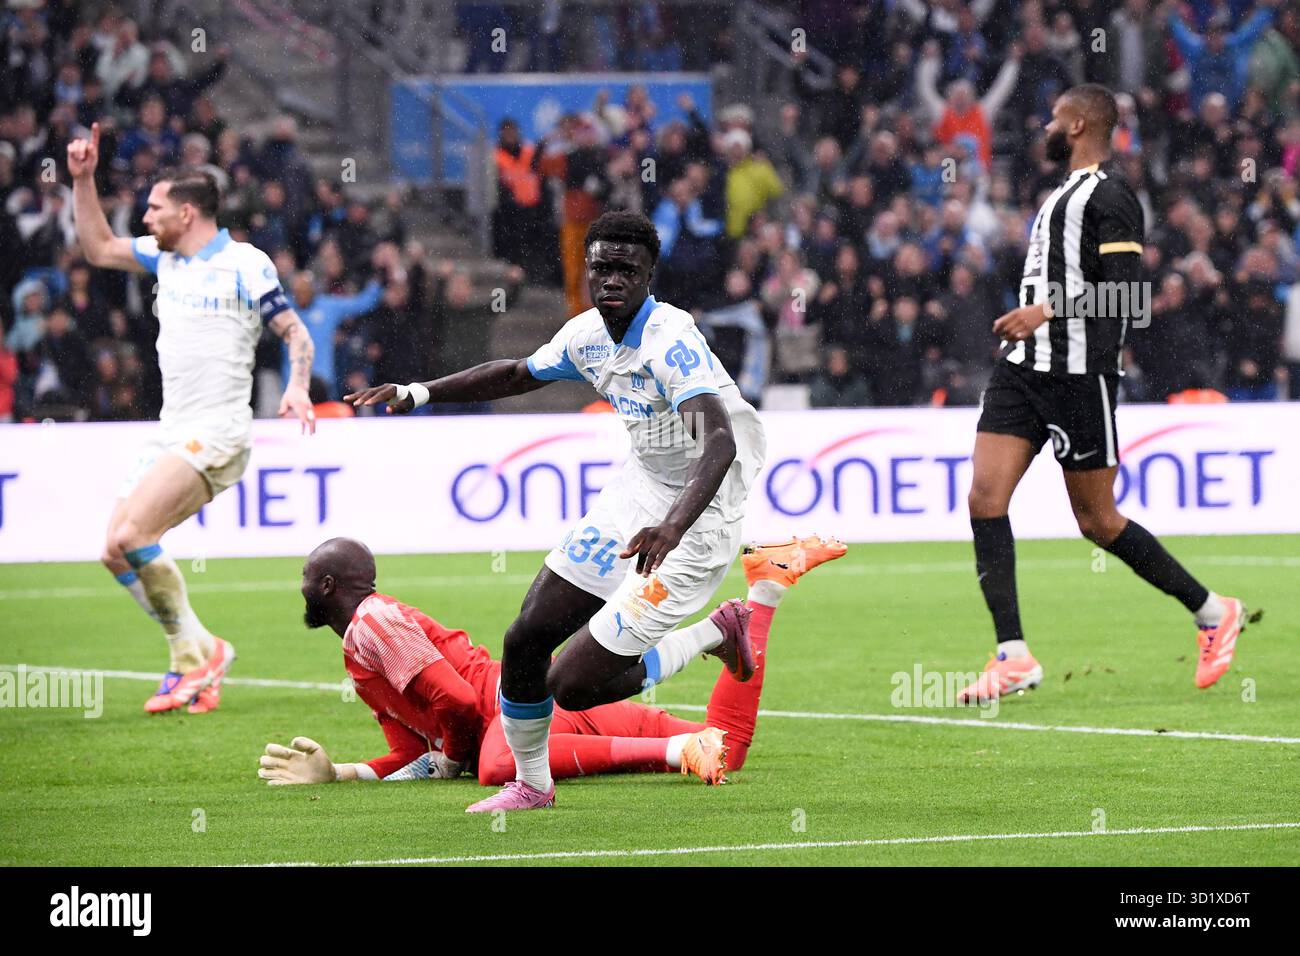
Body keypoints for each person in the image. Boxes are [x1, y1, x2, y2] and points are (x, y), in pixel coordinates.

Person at [345, 211, 768, 812]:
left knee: (571, 684)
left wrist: (673, 527)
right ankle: (533, 785)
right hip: (641, 488)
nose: (611, 280)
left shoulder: (670, 343)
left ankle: (713, 632)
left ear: (650, 274)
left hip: (703, 509)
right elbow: (517, 373)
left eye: (627, 269)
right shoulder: (587, 335)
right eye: (601, 268)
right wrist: (421, 392)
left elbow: (719, 442)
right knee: (526, 638)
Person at [960, 85, 1258, 704]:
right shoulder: (1061, 194)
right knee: (985, 498)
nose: (1044, 124)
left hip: (1078, 373)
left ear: (1076, 124)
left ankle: (1211, 611)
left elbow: (1130, 293)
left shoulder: (1111, 193)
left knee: (1097, 520)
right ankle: (1012, 654)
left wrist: (1044, 310)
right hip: (1023, 368)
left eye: (1052, 116)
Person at [259, 535, 846, 788]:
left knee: (495, 767)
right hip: (551, 713)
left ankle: (674, 749)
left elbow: (462, 704)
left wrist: (451, 761)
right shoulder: (361, 646)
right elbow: (413, 751)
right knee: (729, 748)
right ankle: (766, 588)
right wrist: (341, 773)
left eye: (304, 579)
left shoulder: (374, 624)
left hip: (514, 708)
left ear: (327, 585)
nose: (300, 586)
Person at [67, 123, 316, 715]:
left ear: (186, 211)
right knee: (114, 550)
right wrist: (81, 179)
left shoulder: (244, 263)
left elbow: (294, 331)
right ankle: (207, 650)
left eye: (153, 207)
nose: (144, 215)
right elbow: (98, 248)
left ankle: (189, 657)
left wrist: (299, 387)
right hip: (171, 429)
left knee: (134, 536)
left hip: (220, 428)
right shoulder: (164, 256)